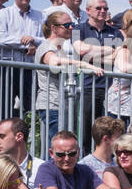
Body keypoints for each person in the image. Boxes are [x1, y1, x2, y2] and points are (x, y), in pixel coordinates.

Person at [34, 10, 105, 141]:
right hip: (52, 105)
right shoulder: (46, 47)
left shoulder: (60, 49)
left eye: (72, 24)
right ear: (53, 28)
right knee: (57, 148)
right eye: (67, 25)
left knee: (60, 148)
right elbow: (54, 62)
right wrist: (84, 64)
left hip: (62, 105)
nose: (71, 27)